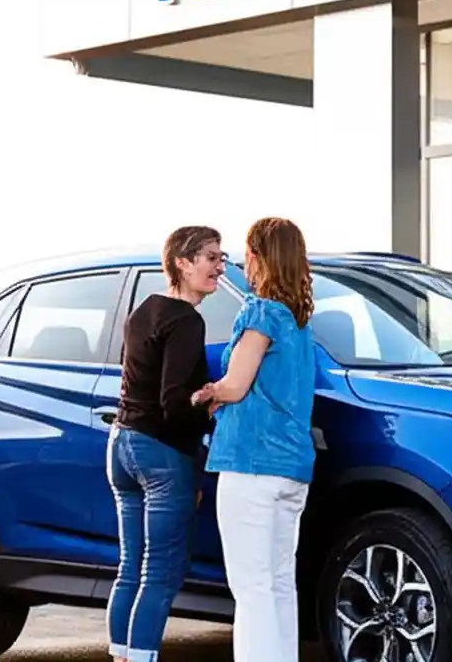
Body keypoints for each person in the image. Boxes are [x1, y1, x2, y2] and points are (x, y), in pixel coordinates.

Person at [192, 217, 316, 662]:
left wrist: (206, 394)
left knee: (251, 587)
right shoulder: (299, 321)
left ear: (259, 257)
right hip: (292, 469)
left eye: (247, 253)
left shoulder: (260, 312)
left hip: (251, 464)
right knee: (279, 583)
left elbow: (236, 384)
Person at [106, 226, 225, 662]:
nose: (219, 267)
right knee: (159, 573)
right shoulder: (186, 320)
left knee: (130, 567)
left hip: (121, 444)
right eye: (210, 257)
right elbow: (174, 403)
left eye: (221, 258)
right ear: (182, 262)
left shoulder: (144, 311)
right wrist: (211, 401)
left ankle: (122, 656)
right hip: (160, 453)